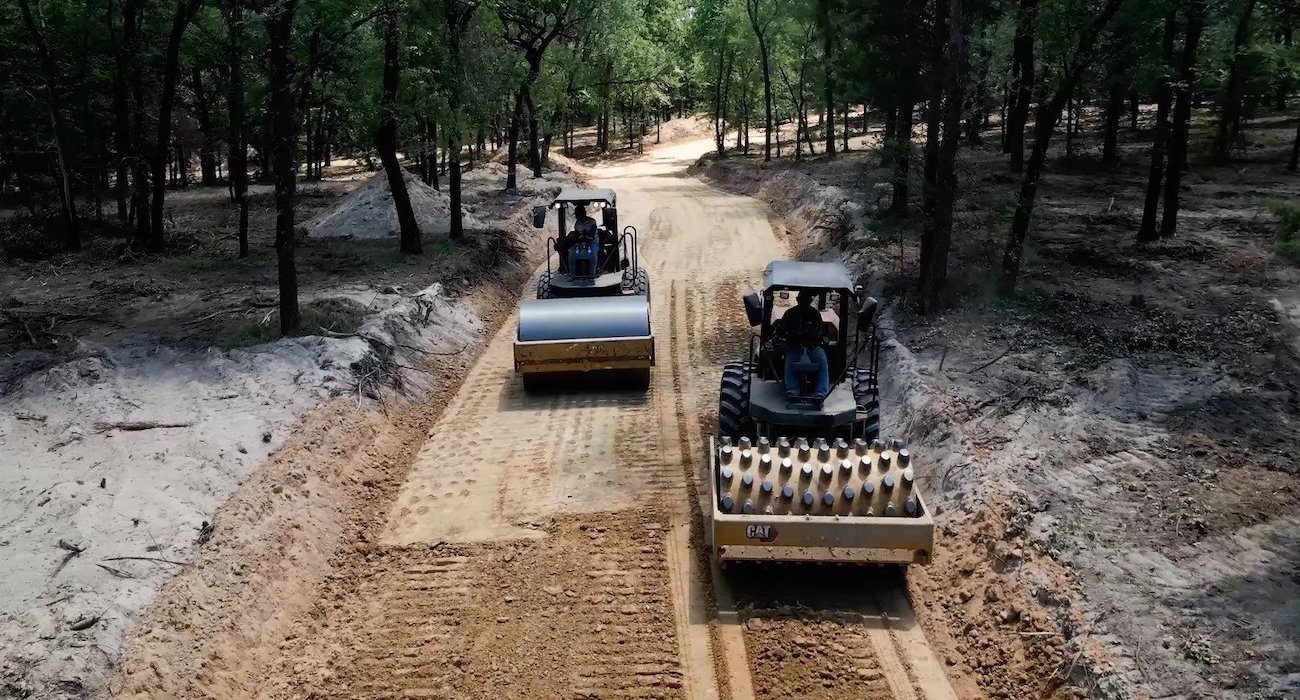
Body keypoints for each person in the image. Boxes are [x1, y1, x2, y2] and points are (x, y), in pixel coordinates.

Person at [779, 291, 829, 397]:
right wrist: (784, 340)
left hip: (812, 347)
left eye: (806, 300)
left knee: (822, 358)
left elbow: (821, 332)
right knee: (789, 359)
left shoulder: (815, 315)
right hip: (794, 347)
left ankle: (821, 392)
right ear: (797, 300)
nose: (804, 303)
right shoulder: (790, 314)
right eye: (802, 300)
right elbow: (780, 330)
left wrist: (813, 339)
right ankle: (792, 389)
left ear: (810, 301)